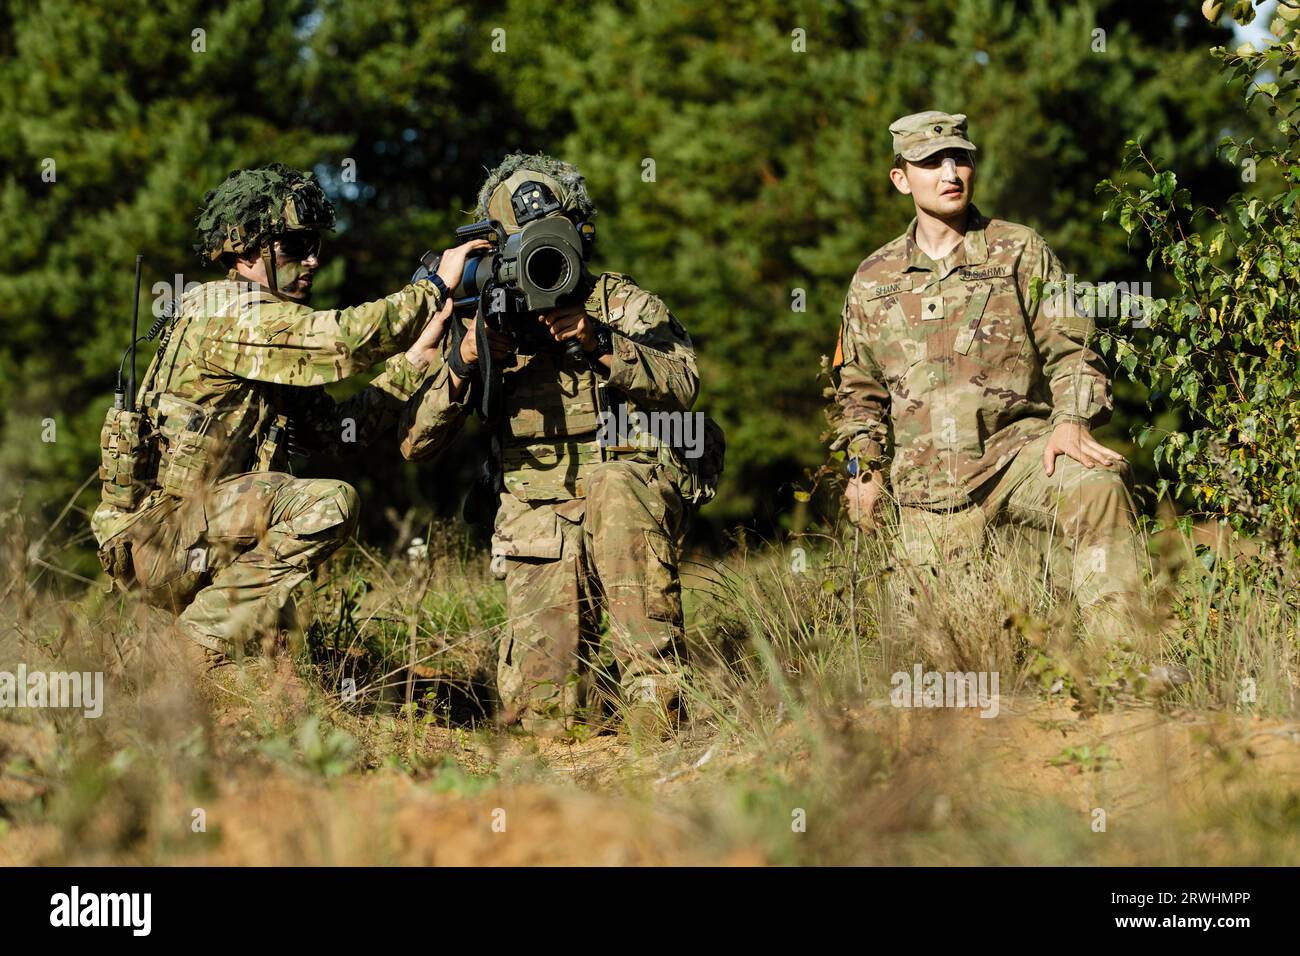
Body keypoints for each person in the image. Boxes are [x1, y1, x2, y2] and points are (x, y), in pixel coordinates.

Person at [92, 163, 485, 663]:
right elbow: (340, 339)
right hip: (161, 539)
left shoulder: (259, 333)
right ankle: (177, 653)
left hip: (196, 537)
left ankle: (177, 658)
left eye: (317, 247)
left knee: (283, 660)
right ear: (247, 251)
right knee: (328, 504)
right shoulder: (230, 312)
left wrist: (414, 361)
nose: (314, 261)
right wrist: (431, 289)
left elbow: (339, 432)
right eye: (297, 247)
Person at [399, 152, 707, 738]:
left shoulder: (621, 303)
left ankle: (654, 696)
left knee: (618, 486)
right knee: (551, 720)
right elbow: (416, 443)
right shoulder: (480, 319)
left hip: (622, 493)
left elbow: (683, 385)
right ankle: (578, 704)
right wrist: (467, 360)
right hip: (535, 516)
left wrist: (600, 343)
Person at [831, 112, 1141, 638]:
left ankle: (1125, 671)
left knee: (1097, 487)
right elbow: (857, 393)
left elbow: (1075, 348)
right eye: (930, 162)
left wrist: (1073, 421)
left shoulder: (1018, 249)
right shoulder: (872, 278)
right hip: (925, 488)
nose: (950, 172)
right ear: (901, 178)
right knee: (935, 656)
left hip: (1019, 457)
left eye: (961, 158)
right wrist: (864, 471)